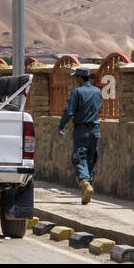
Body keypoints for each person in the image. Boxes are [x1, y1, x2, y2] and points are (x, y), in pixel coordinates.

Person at [57, 65, 102, 204]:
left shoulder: (77, 92)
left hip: (81, 130)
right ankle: (86, 189)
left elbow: (69, 111)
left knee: (79, 157)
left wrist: (61, 126)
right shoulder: (97, 91)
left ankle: (84, 182)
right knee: (91, 158)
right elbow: (99, 108)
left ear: (80, 78)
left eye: (76, 77)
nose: (76, 79)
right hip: (95, 130)